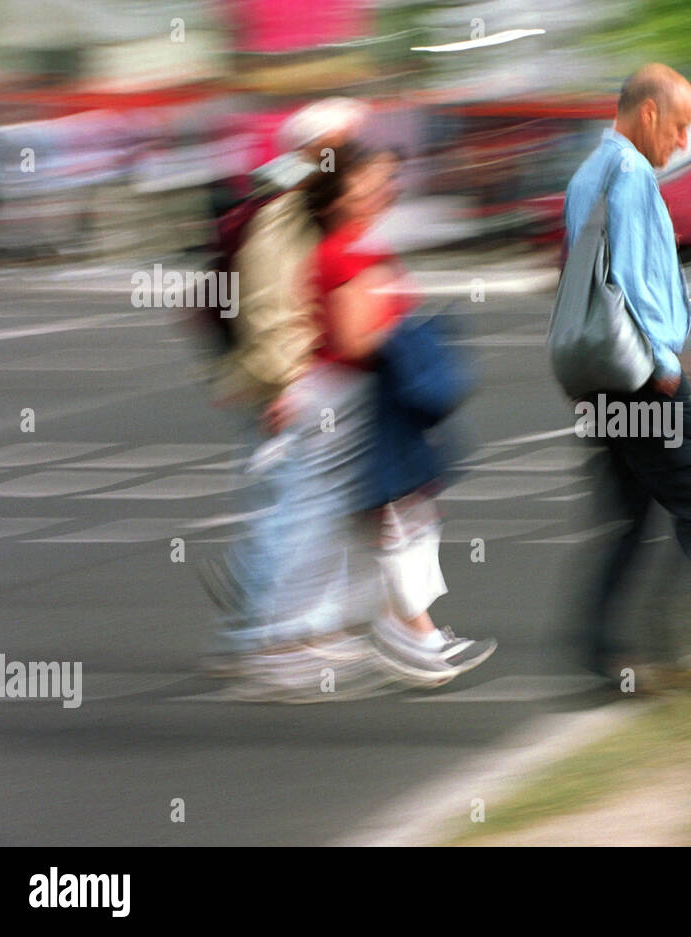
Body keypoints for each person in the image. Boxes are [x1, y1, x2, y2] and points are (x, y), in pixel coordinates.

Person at [276, 140, 495, 692]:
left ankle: (400, 629)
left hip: (368, 400)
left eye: (384, 179)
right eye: (365, 180)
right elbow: (353, 339)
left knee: (400, 516)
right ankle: (406, 633)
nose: (379, 190)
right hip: (354, 403)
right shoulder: (345, 253)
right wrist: (406, 332)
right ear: (334, 194)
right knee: (392, 517)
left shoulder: (363, 248)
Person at [563, 64, 691, 677]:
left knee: (629, 517)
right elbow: (634, 282)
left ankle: (603, 655)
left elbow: (594, 279)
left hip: (596, 374)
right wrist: (669, 361)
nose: (683, 141)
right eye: (679, 125)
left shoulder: (590, 171)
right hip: (642, 376)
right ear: (648, 113)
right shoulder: (633, 174)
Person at [198, 98, 369, 671]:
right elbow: (270, 300)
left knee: (309, 505)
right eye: (348, 142)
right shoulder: (286, 203)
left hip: (309, 376)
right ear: (319, 148)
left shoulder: (304, 199)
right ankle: (267, 633)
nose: (357, 153)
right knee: (294, 507)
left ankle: (298, 624)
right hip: (291, 380)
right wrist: (283, 382)